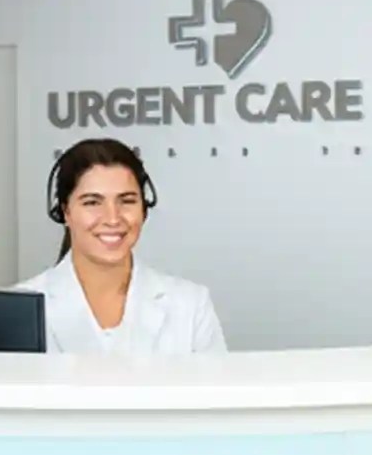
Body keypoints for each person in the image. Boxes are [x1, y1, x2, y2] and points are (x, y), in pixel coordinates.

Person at [16, 138, 228, 355]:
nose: (113, 218)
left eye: (126, 201)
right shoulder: (19, 308)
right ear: (66, 213)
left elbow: (216, 389)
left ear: (144, 210)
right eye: (92, 202)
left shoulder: (190, 305)